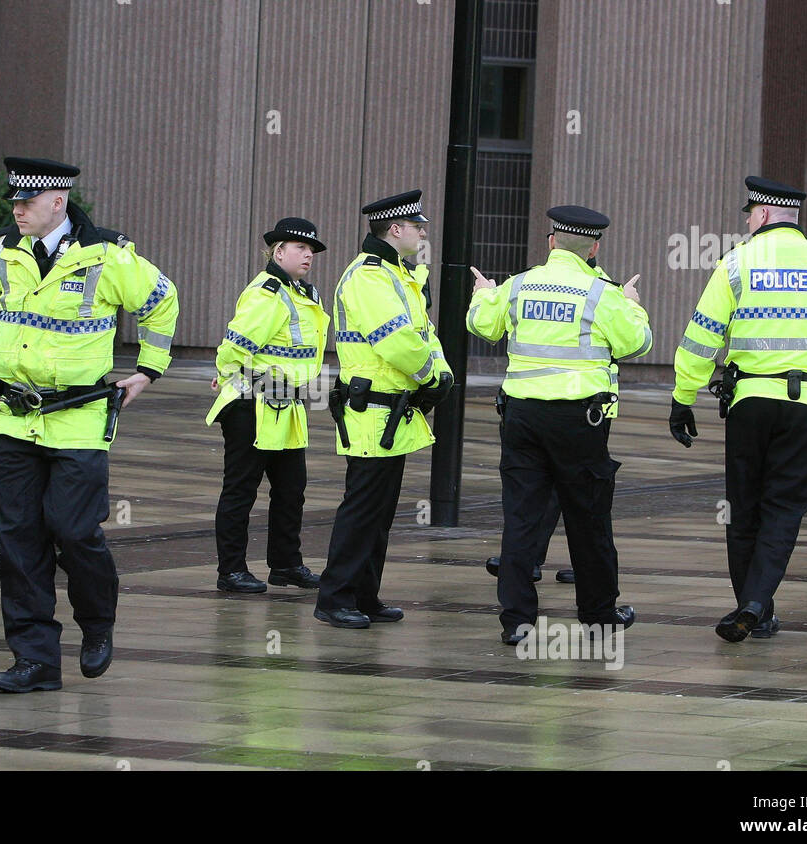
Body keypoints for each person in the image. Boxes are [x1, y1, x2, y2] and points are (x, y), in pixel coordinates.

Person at [0, 157, 179, 691]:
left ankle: (97, 624)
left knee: (75, 532)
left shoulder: (108, 253)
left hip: (78, 421)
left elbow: (160, 301)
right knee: (18, 542)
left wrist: (148, 370)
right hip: (13, 420)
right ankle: (34, 659)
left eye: (26, 202)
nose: (17, 210)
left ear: (57, 201)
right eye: (14, 201)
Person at [670, 176, 807, 642]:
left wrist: (684, 398)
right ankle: (756, 604)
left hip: (749, 404)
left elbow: (700, 337)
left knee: (743, 508)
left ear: (763, 214)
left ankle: (753, 606)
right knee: (784, 508)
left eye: (749, 214)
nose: (747, 221)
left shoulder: (736, 262)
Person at [467, 205, 650, 645]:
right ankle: (599, 616)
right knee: (589, 522)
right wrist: (632, 305)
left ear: (551, 242)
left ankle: (516, 622)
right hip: (578, 422)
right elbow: (638, 344)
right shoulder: (600, 292)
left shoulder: (518, 285)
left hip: (521, 418)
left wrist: (483, 293)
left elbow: (482, 326)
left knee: (521, 519)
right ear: (594, 248)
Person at [315, 190, 453, 629]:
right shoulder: (370, 276)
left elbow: (425, 334)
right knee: (362, 509)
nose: (422, 232)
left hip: (390, 410)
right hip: (373, 409)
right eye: (417, 226)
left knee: (379, 512)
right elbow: (396, 341)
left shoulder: (399, 274)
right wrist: (433, 376)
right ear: (395, 229)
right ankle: (335, 597)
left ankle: (363, 594)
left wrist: (439, 372)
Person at [207, 218, 330, 594]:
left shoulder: (304, 295)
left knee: (291, 490)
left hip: (286, 405)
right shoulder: (268, 292)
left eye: (311, 250)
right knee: (241, 490)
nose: (308, 254)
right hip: (252, 403)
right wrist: (227, 376)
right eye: (300, 248)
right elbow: (234, 346)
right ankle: (231, 571)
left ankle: (286, 565)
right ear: (278, 252)